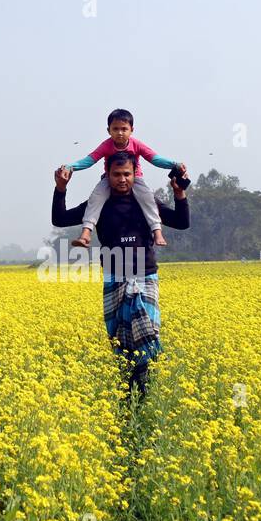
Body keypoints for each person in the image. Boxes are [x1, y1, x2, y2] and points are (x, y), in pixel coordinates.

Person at [51, 151, 190, 398]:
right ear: (108, 175)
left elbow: (181, 222)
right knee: (121, 344)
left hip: (145, 277)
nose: (122, 180)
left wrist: (180, 195)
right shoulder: (98, 203)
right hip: (114, 278)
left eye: (127, 174)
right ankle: (127, 398)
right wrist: (60, 188)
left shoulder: (147, 202)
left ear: (135, 174)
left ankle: (145, 394)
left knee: (147, 336)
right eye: (117, 175)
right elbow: (60, 218)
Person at [61, 109, 186, 249]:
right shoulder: (106, 145)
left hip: (136, 179)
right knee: (95, 198)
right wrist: (70, 167)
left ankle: (157, 232)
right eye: (115, 129)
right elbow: (90, 160)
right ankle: (85, 233)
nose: (120, 133)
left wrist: (174, 164)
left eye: (124, 129)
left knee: (148, 200)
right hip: (108, 180)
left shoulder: (136, 144)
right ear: (108, 130)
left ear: (131, 130)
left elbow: (155, 159)